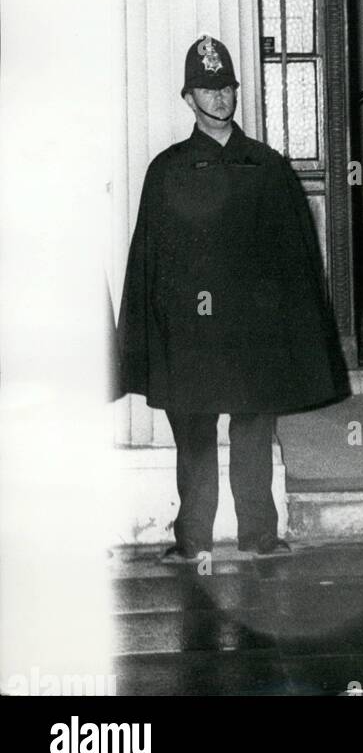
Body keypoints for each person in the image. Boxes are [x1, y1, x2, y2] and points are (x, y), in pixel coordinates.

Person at [118, 36, 348, 561]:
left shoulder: (267, 168)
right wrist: (163, 330)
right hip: (193, 335)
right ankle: (192, 540)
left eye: (226, 87)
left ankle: (259, 537)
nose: (219, 98)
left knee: (252, 432)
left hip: (252, 332)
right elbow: (150, 263)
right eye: (207, 88)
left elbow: (295, 262)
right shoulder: (168, 169)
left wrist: (287, 324)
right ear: (188, 98)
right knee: (193, 435)